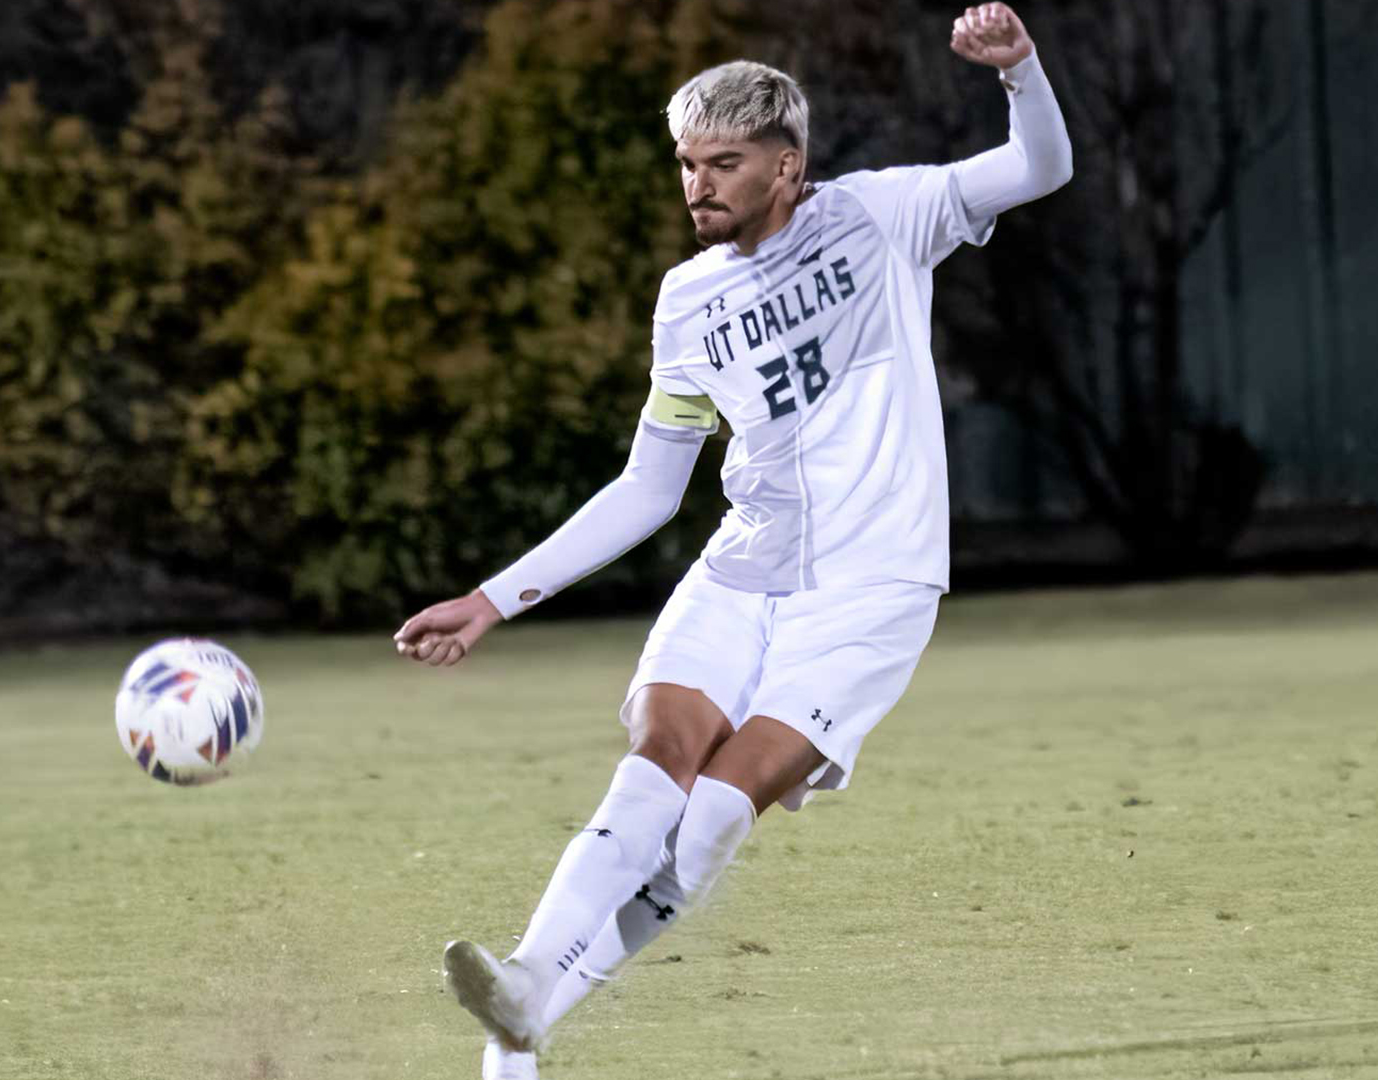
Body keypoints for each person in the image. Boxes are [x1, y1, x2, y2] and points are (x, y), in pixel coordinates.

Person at [394, 5, 1070, 1076]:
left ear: (787, 165)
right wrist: (491, 598)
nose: (696, 184)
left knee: (712, 816)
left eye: (723, 162)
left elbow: (1038, 167)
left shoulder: (883, 217)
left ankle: (533, 1012)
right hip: (743, 568)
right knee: (658, 759)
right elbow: (647, 489)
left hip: (871, 586)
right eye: (685, 163)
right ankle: (523, 994)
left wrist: (1020, 70)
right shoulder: (685, 301)